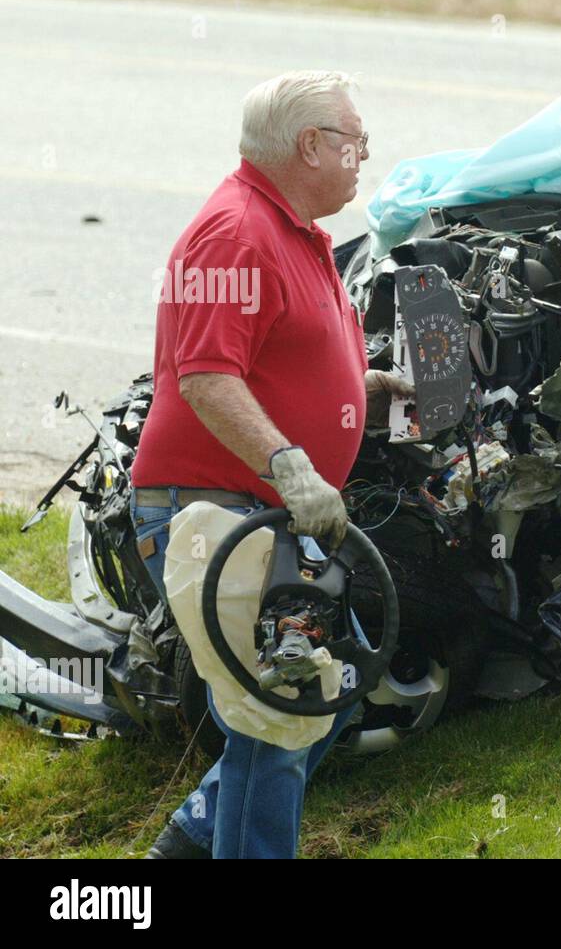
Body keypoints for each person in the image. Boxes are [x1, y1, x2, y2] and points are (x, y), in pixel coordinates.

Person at [130, 69, 411, 859]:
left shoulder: (289, 229)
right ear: (310, 145)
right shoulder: (235, 231)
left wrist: (363, 389)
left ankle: (188, 845)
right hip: (212, 515)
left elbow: (273, 361)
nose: (364, 155)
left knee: (322, 694)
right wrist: (291, 465)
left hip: (264, 518)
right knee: (284, 718)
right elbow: (207, 376)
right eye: (355, 140)